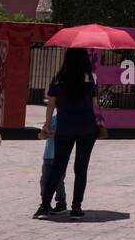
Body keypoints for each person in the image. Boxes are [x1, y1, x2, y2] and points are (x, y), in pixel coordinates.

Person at [36, 47, 101, 219]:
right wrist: (100, 122)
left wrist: (47, 124)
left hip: (65, 126)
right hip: (86, 127)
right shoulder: (90, 78)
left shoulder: (59, 78)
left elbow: (51, 103)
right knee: (81, 168)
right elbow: (95, 104)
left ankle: (44, 206)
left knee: (58, 166)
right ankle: (76, 208)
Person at [37, 114, 68, 214]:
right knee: (44, 180)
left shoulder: (68, 119)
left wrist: (54, 134)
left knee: (59, 181)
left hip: (60, 156)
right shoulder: (52, 118)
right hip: (48, 155)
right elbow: (41, 135)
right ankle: (45, 202)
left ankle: (61, 203)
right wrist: (44, 133)